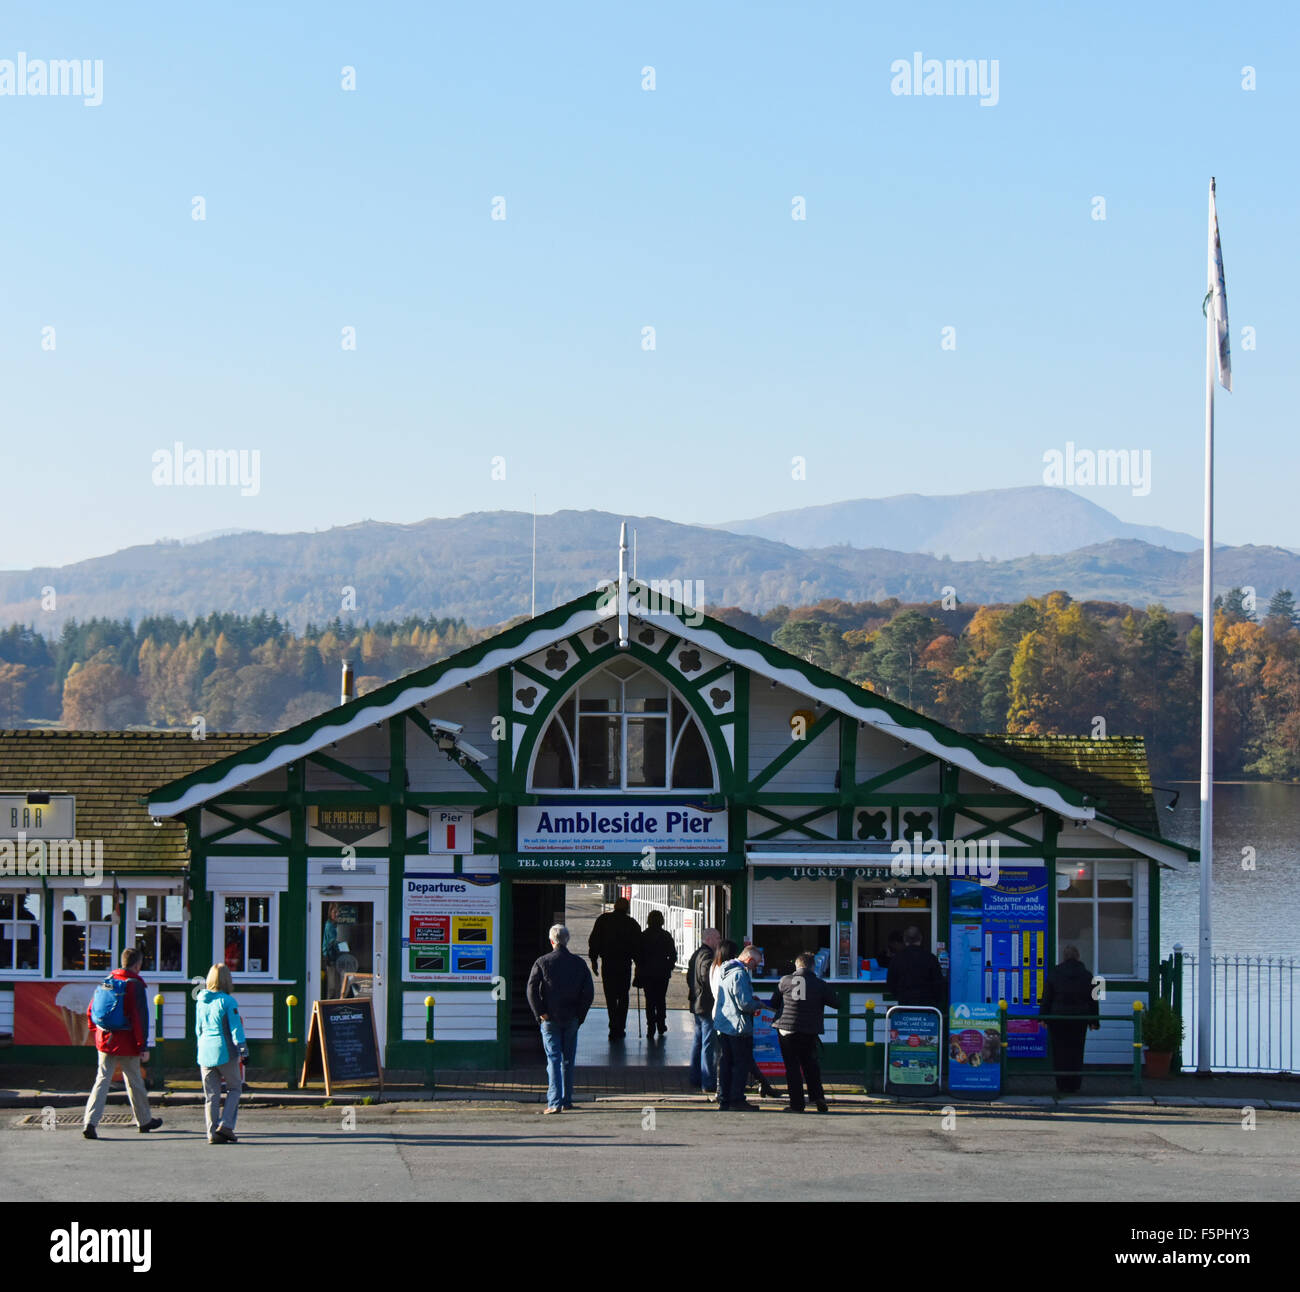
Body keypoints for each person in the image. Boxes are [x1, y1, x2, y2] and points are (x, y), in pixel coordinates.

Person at [82, 947, 163, 1139]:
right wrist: (142, 1046)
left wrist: (97, 1031)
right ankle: (144, 1121)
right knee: (134, 1081)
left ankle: (90, 1122)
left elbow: (91, 1010)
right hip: (127, 1041)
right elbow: (139, 1018)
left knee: (102, 1080)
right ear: (137, 964)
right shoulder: (135, 985)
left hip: (105, 1038)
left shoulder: (108, 981)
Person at [527, 924, 595, 1113]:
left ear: (551, 941)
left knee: (553, 1058)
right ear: (567, 940)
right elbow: (588, 992)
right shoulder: (578, 963)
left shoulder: (542, 961)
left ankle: (554, 1102)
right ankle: (566, 1099)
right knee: (568, 1060)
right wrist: (580, 1014)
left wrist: (540, 1012)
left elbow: (531, 989)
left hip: (550, 1018)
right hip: (571, 1016)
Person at [771, 951, 839, 1113]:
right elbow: (837, 1003)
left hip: (786, 1029)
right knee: (810, 1065)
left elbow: (774, 1003)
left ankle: (797, 1104)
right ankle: (818, 1097)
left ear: (797, 965)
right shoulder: (820, 984)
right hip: (809, 1030)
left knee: (792, 1067)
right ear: (813, 966)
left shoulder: (784, 981)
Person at [195, 962, 250, 1144]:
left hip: (204, 1051)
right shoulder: (228, 1001)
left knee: (211, 1095)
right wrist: (243, 1050)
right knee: (234, 1088)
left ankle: (211, 1133)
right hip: (224, 1050)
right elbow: (236, 1029)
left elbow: (198, 1029)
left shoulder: (200, 1001)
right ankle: (225, 1126)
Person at [1040, 944, 1101, 1093]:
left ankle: (1061, 1084)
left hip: (1058, 1018)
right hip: (1080, 1019)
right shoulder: (1088, 975)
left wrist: (1043, 1017)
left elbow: (1046, 997)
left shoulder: (1054, 974)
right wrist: (1094, 1021)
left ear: (1064, 957)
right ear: (1078, 957)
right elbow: (1094, 1000)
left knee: (1059, 1051)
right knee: (1077, 1051)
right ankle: (1075, 1084)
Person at [712, 942, 762, 1111]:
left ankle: (724, 1098)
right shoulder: (740, 974)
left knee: (726, 1062)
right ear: (748, 959)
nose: (756, 967)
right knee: (741, 1064)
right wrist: (757, 1005)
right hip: (738, 1026)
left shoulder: (726, 969)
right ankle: (737, 1099)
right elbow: (745, 1004)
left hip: (724, 1024)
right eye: (756, 963)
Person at [588, 896, 640, 1040]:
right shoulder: (632, 924)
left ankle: (613, 1024)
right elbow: (637, 947)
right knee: (623, 995)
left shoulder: (604, 920)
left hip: (608, 963)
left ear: (615, 906)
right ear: (627, 908)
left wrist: (594, 959)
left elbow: (594, 940)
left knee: (610, 996)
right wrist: (639, 966)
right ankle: (621, 1027)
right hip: (624, 965)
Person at [687, 928, 721, 1094]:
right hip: (707, 1004)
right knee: (709, 1044)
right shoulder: (707, 956)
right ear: (710, 938)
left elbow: (689, 978)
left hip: (697, 1003)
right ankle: (708, 1081)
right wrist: (714, 991)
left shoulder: (696, 954)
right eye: (718, 938)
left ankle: (695, 1077)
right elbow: (706, 977)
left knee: (699, 1040)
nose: (719, 941)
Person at [634, 909, 677, 1038]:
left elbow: (638, 955)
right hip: (662, 973)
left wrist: (640, 967)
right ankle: (661, 1024)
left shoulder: (643, 936)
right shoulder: (666, 936)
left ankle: (650, 1026)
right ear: (661, 921)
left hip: (647, 973)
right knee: (660, 999)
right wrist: (669, 966)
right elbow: (673, 955)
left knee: (650, 1000)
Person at [886, 925, 946, 1009]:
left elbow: (891, 985)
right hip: (927, 1009)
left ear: (904, 939)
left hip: (904, 1007)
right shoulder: (931, 958)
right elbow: (938, 985)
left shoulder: (896, 959)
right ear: (920, 938)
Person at [322, 902, 342, 997]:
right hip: (331, 959)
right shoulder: (330, 926)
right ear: (330, 913)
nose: (337, 914)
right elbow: (332, 942)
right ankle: (329, 1006)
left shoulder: (335, 925)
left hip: (335, 959)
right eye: (335, 912)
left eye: (338, 912)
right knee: (332, 986)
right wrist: (343, 946)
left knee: (338, 985)